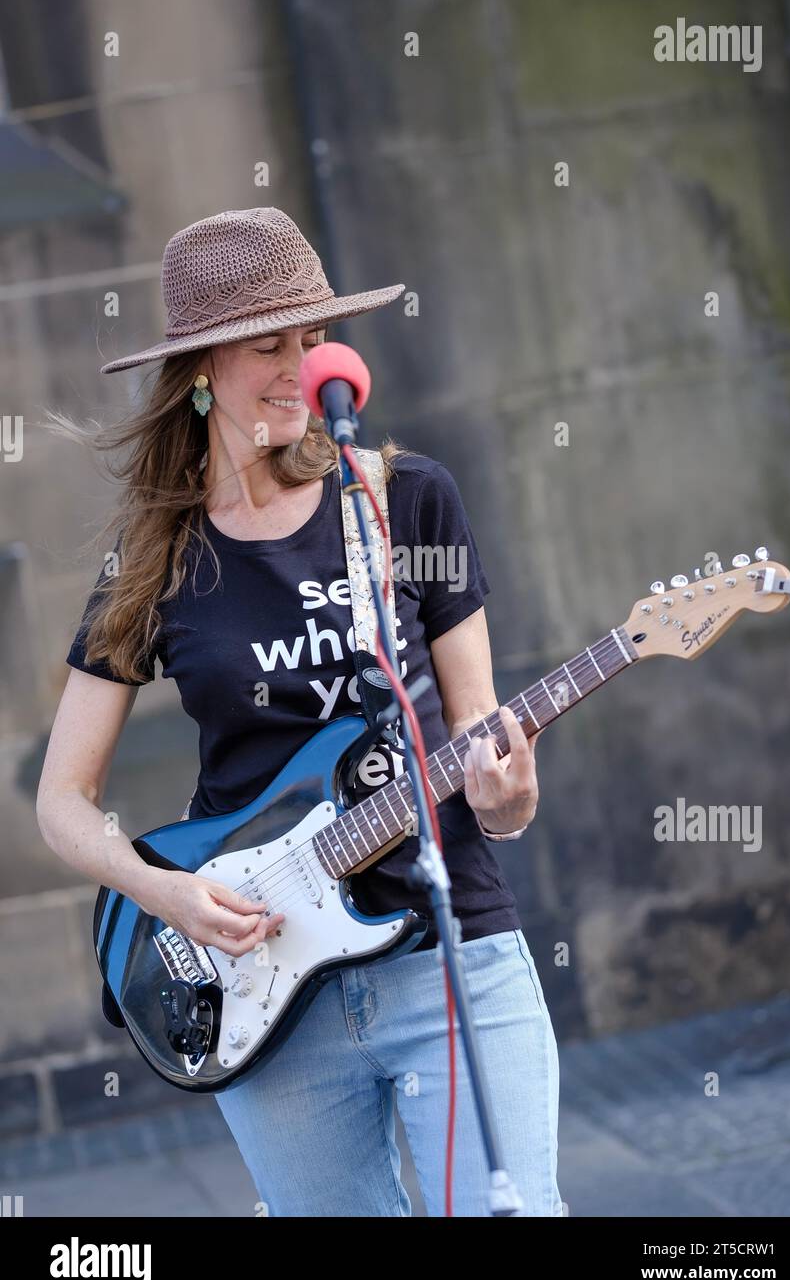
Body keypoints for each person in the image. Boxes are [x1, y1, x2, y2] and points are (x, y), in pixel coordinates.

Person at [36, 207, 564, 1218]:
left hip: (445, 953)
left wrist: (509, 796)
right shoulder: (154, 563)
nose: (301, 366)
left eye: (313, 338)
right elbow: (63, 799)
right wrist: (162, 892)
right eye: (267, 345)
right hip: (266, 989)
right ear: (198, 370)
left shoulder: (405, 501)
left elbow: (483, 748)